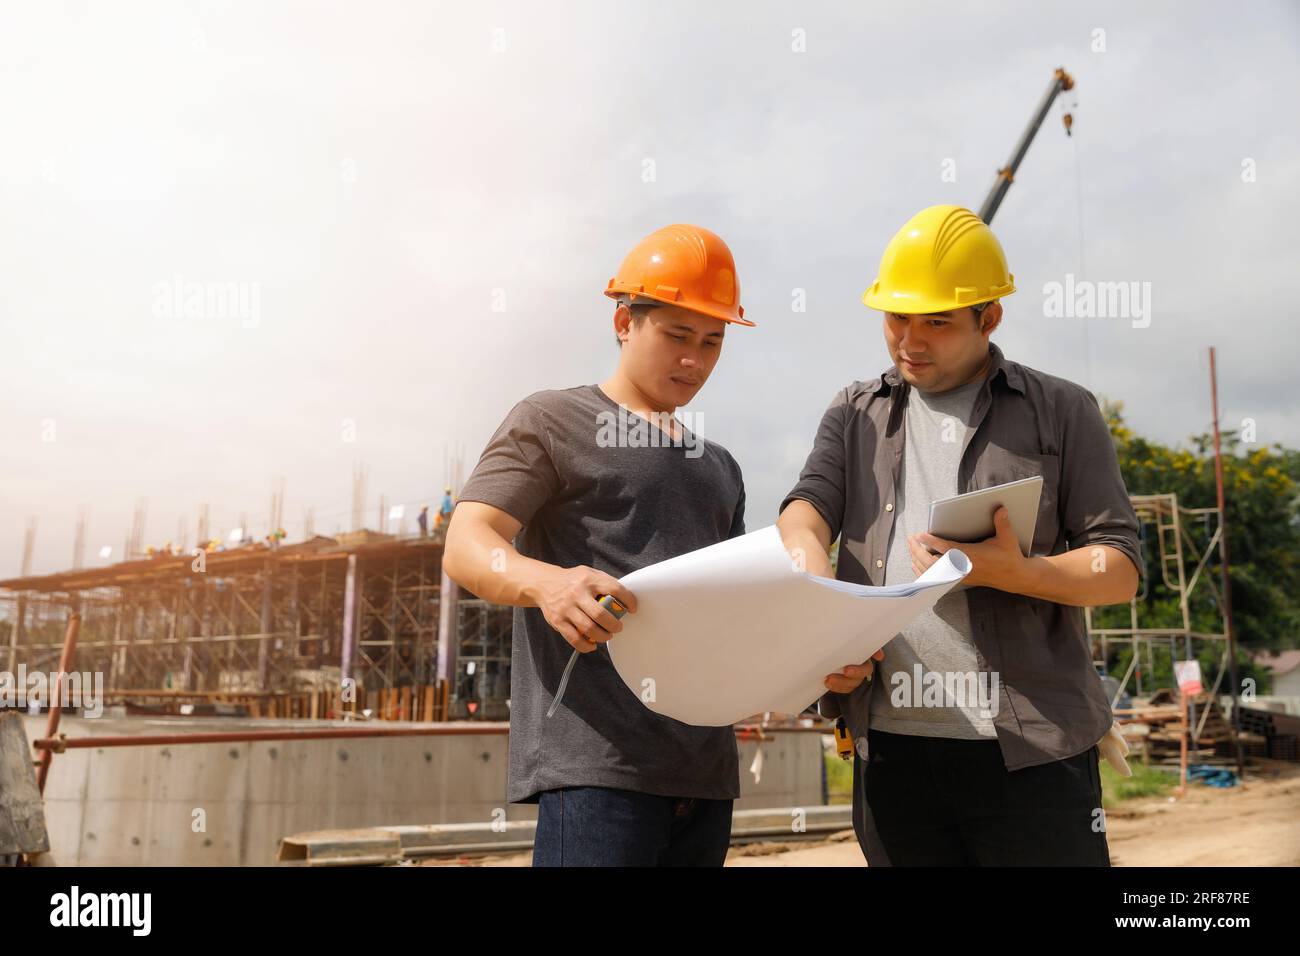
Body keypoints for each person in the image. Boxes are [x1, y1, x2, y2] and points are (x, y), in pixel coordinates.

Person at [777, 204, 1141, 866]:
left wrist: (1014, 571)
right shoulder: (854, 412)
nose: (910, 341)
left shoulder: (1063, 412)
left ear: (990, 317)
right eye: (897, 319)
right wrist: (814, 586)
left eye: (937, 322)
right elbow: (806, 511)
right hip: (890, 751)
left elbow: (1118, 569)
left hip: (1032, 751)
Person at [444, 224, 757, 866]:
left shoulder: (721, 468)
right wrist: (548, 583)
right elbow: (468, 544)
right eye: (675, 335)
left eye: (712, 341)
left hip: (704, 774)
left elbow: (737, 609)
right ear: (623, 320)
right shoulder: (553, 421)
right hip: (596, 769)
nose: (694, 360)